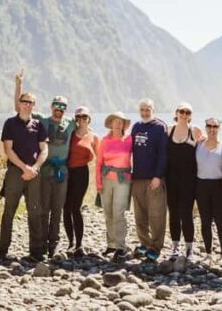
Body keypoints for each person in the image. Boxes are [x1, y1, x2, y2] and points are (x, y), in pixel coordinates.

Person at [14, 71, 75, 257]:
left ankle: (53, 245)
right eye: (56, 105)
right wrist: (18, 85)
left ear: (65, 109)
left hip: (62, 173)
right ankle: (39, 245)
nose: (59, 108)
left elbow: (85, 123)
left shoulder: (71, 123)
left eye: (62, 106)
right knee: (43, 209)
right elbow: (20, 108)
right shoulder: (42, 120)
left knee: (57, 210)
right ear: (51, 106)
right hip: (44, 171)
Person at [0, 91, 48, 262]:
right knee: (9, 211)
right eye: (25, 101)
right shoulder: (10, 123)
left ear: (34, 105)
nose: (27, 105)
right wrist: (24, 168)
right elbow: (8, 149)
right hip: (15, 172)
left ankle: (36, 251)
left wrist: (34, 168)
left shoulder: (38, 125)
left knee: (35, 211)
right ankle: (3, 250)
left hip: (34, 173)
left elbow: (44, 149)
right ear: (19, 103)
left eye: (31, 102)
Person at [130, 98, 168, 262]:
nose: (145, 112)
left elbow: (163, 153)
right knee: (140, 215)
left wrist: (158, 176)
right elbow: (130, 150)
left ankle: (155, 247)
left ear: (153, 110)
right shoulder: (136, 127)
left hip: (154, 179)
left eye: (148, 109)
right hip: (137, 177)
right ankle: (144, 244)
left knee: (157, 214)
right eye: (142, 109)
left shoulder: (160, 127)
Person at [165, 103, 202, 261]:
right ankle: (175, 247)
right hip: (171, 180)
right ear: (176, 113)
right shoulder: (168, 130)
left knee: (186, 214)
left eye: (187, 112)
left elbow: (204, 149)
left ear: (190, 115)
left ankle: (189, 248)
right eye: (181, 111)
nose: (184, 114)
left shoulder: (195, 131)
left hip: (189, 181)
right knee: (173, 213)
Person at [96, 112, 133, 262]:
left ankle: (120, 247)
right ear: (111, 124)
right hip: (106, 180)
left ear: (124, 125)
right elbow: (99, 162)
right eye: (115, 121)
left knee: (119, 213)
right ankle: (111, 244)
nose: (118, 124)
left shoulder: (129, 140)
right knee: (108, 213)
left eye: (121, 121)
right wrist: (98, 182)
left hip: (123, 180)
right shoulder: (105, 141)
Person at [64, 106, 99, 257]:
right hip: (67, 172)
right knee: (66, 207)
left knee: (76, 207)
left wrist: (102, 176)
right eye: (78, 117)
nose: (82, 120)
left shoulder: (94, 136)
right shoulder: (70, 134)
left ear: (89, 119)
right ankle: (70, 242)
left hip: (81, 173)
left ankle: (79, 244)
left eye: (84, 117)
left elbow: (100, 158)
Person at [195, 117, 222, 264]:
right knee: (205, 221)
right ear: (206, 127)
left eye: (215, 126)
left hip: (219, 187)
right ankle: (208, 254)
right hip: (201, 186)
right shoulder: (198, 144)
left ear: (219, 128)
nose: (212, 129)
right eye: (209, 126)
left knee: (220, 221)